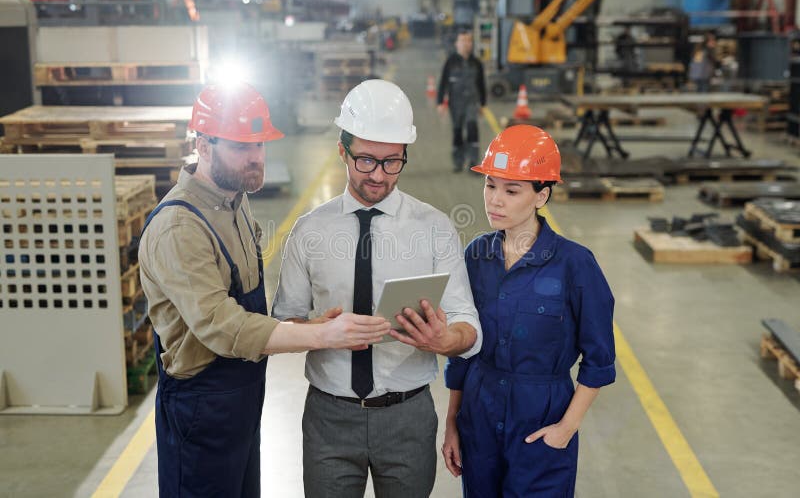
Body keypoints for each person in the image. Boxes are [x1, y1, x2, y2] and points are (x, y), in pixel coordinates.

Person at [138, 83, 392, 497]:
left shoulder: (234, 202)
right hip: (200, 412)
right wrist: (320, 336)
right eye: (241, 147)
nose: (256, 158)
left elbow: (248, 307)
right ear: (203, 145)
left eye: (259, 145)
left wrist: (306, 324)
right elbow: (223, 326)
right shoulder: (180, 226)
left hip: (239, 405)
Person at [272, 79, 483, 498]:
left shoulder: (435, 228)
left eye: (392, 162)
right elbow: (283, 325)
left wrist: (445, 340)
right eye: (365, 160)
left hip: (407, 417)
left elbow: (468, 325)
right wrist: (319, 332)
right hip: (329, 418)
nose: (378, 176)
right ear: (341, 150)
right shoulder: (309, 231)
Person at [441, 124, 616, 497]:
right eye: (490, 185)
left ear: (542, 195)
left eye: (511, 190)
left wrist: (566, 429)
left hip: (541, 421)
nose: (495, 200)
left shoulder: (575, 265)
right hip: (479, 417)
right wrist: (453, 423)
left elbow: (599, 360)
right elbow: (462, 352)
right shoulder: (477, 256)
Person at [437, 28, 487, 173]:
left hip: (471, 102)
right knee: (457, 131)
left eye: (469, 41)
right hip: (455, 103)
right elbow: (443, 83)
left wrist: (482, 104)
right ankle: (458, 162)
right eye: (463, 41)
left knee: (472, 128)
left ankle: (473, 162)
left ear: (472, 44)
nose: (466, 44)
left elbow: (481, 84)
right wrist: (440, 102)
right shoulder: (451, 62)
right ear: (457, 44)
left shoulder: (476, 63)